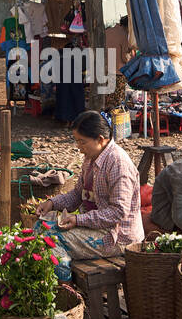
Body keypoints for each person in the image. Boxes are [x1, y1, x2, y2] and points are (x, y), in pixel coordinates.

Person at [34, 109, 144, 259]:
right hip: (97, 227)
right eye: (77, 141)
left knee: (52, 240)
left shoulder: (118, 163)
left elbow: (118, 212)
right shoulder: (90, 159)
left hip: (117, 237)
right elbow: (78, 194)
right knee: (39, 228)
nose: (79, 147)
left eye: (82, 142)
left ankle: (63, 274)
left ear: (100, 139)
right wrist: (52, 203)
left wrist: (79, 220)